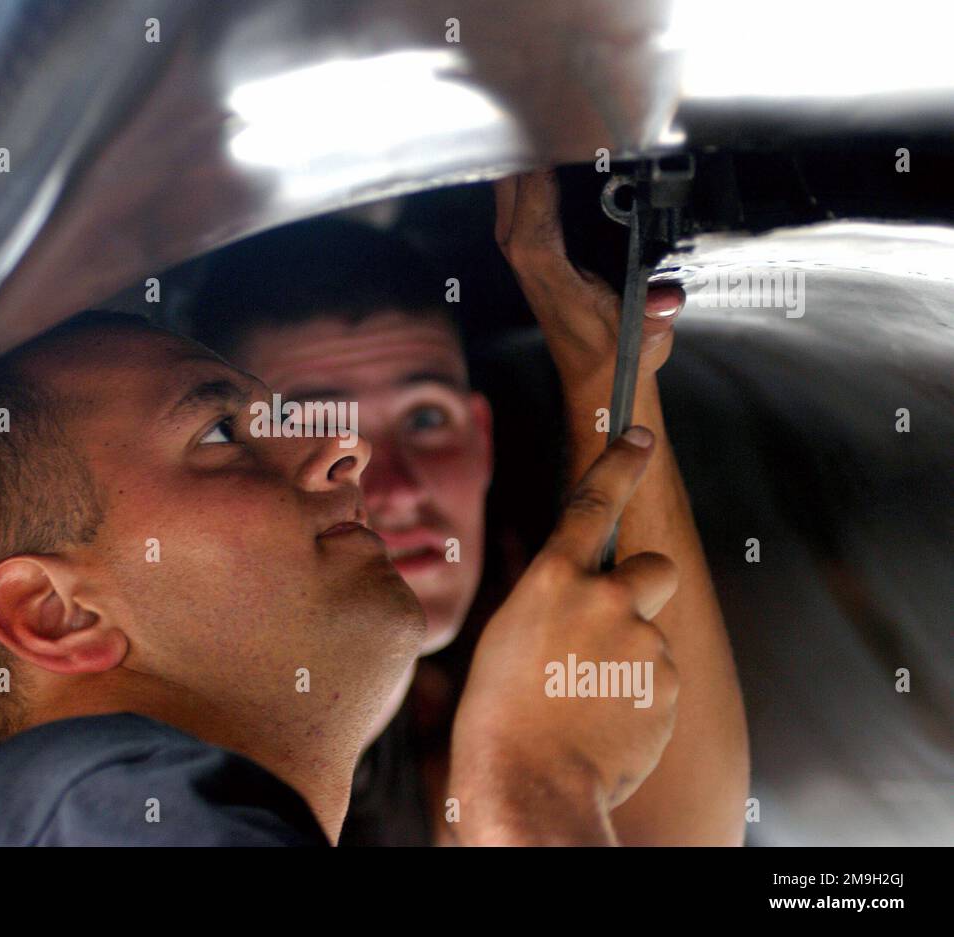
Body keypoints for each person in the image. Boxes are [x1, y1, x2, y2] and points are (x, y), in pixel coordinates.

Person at [0, 312, 681, 845]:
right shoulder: (91, 808)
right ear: (53, 614)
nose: (346, 451)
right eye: (222, 430)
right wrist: (531, 783)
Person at [189, 172, 749, 845]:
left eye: (427, 418)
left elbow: (666, 837)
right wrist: (529, 789)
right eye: (319, 428)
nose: (397, 485)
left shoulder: (473, 677)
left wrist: (607, 374)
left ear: (481, 441)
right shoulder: (179, 768)